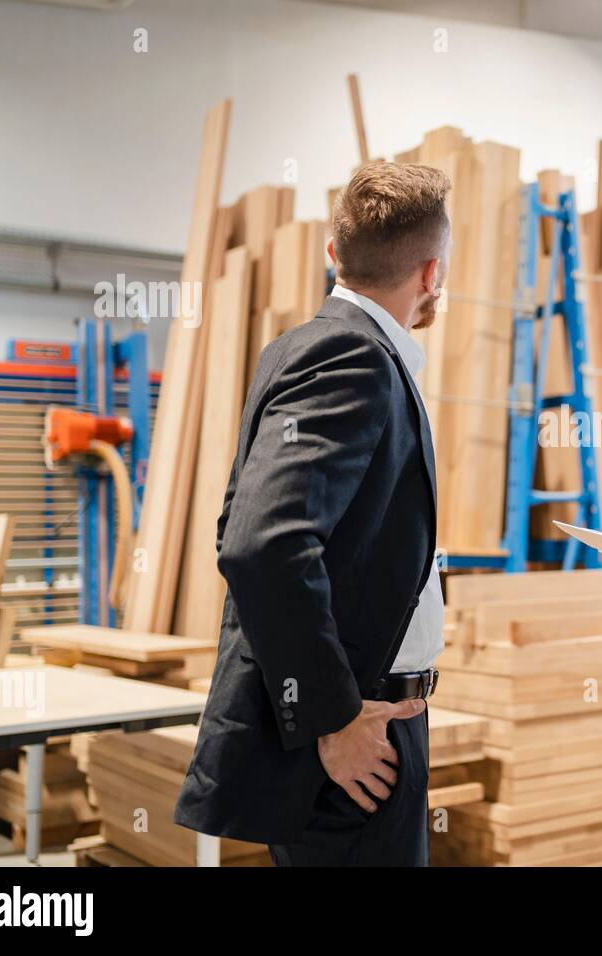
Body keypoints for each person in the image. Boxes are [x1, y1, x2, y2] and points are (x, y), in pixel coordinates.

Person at [174, 161, 450, 866]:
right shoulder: (351, 355)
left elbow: (248, 530)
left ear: (333, 256)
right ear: (431, 274)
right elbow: (261, 546)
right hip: (358, 734)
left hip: (363, 720)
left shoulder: (303, 348)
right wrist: (334, 720)